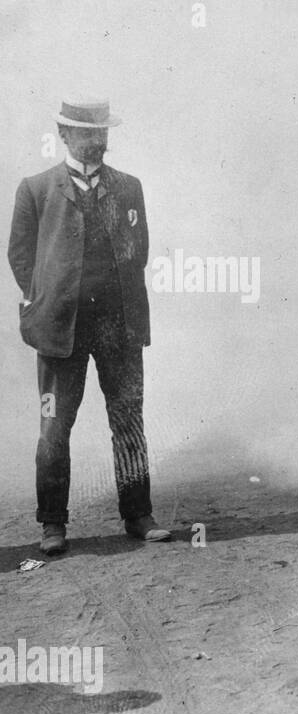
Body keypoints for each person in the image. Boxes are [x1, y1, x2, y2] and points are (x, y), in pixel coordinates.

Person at [7, 97, 171, 555]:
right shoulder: (35, 190)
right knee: (53, 427)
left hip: (118, 325)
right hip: (61, 329)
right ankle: (53, 525)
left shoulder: (129, 187)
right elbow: (20, 256)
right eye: (84, 133)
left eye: (101, 133)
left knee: (129, 421)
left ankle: (139, 514)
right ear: (63, 135)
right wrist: (48, 298)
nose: (95, 141)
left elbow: (138, 250)